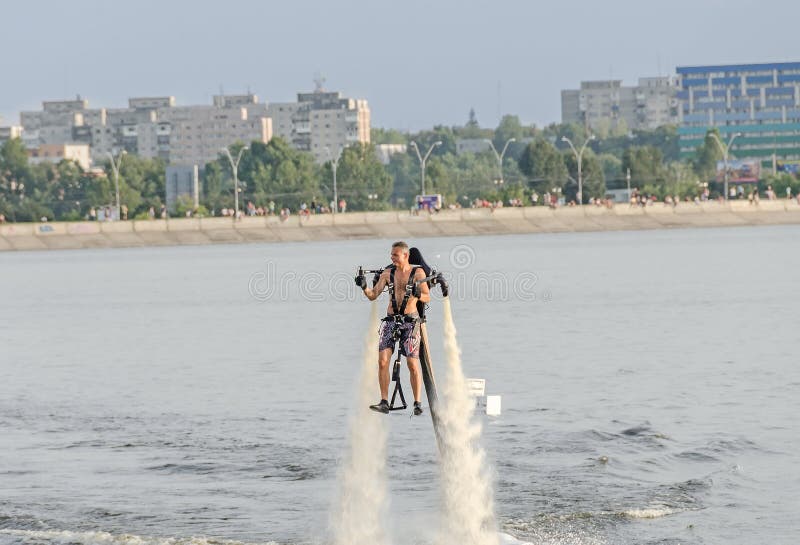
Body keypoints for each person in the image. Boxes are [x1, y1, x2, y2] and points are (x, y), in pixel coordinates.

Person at [356, 241, 431, 415]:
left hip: (411, 323)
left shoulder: (418, 273)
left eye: (395, 255)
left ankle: (417, 402)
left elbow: (427, 297)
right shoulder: (387, 274)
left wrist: (419, 294)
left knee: (412, 363)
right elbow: (373, 295)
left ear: (405, 255)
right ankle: (384, 401)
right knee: (382, 361)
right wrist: (364, 286)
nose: (392, 258)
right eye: (391, 254)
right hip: (390, 321)